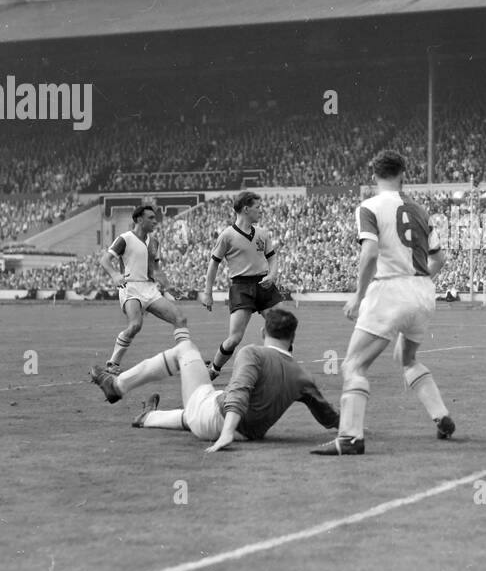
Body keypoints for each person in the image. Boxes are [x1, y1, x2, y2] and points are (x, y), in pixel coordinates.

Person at [311, 149, 455, 455]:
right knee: (407, 359)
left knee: (353, 365)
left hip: (390, 291)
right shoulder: (420, 211)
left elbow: (371, 253)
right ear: (404, 174)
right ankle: (441, 415)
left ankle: (350, 438)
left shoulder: (369, 207)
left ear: (373, 176)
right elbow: (440, 259)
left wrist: (358, 296)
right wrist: (416, 280)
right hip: (423, 292)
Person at [89, 308, 338, 452]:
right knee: (200, 405)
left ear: (263, 332)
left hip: (219, 420)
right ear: (293, 337)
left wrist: (226, 433)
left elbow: (240, 392)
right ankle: (148, 417)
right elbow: (325, 413)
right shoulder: (303, 375)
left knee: (185, 348)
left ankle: (117, 385)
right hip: (248, 432)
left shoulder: (253, 352)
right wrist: (347, 425)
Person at [200, 191, 287, 380]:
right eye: (257, 208)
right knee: (234, 339)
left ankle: (283, 369)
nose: (260, 211)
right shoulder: (227, 236)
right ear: (246, 209)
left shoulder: (263, 233)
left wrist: (272, 275)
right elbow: (213, 264)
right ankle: (214, 369)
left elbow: (272, 259)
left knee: (283, 324)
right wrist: (208, 292)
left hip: (264, 284)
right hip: (241, 287)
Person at [100, 204, 190, 373]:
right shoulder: (124, 238)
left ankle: (186, 358)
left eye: (155, 218)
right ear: (139, 220)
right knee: (135, 325)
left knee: (180, 319)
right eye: (151, 218)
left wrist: (169, 286)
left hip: (150, 289)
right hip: (130, 287)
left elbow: (156, 270)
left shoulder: (154, 242)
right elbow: (105, 260)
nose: (155, 221)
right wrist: (114, 275)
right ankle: (113, 363)